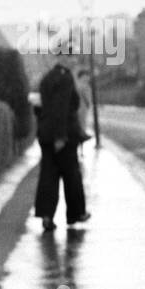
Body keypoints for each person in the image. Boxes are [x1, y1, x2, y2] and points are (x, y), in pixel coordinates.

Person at [34, 56, 90, 233]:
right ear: (64, 58)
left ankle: (46, 216)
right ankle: (76, 213)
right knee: (72, 175)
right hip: (63, 136)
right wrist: (60, 136)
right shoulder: (65, 78)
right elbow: (62, 107)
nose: (75, 60)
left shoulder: (47, 77)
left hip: (46, 135)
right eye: (72, 56)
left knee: (48, 176)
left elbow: (43, 106)